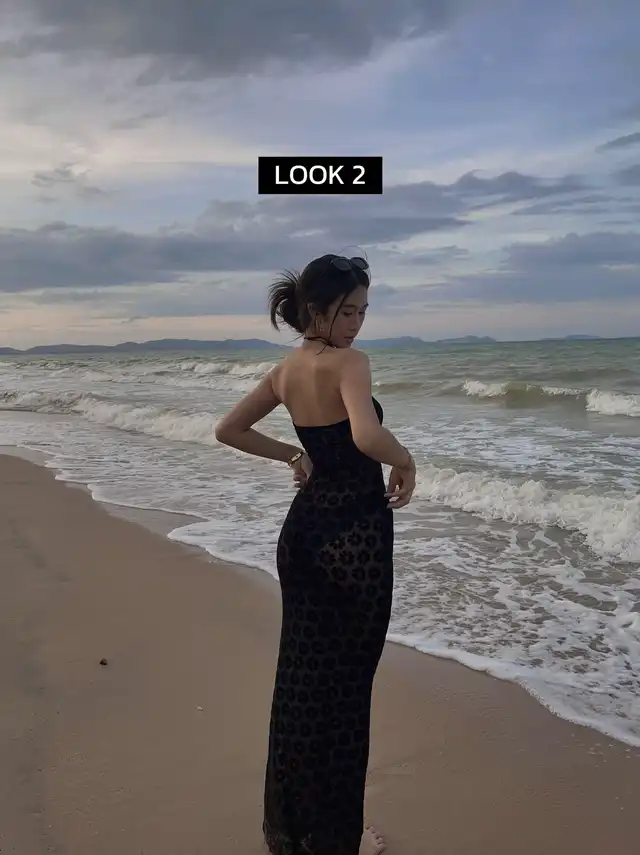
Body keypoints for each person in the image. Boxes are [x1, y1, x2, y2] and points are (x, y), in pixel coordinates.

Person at [214, 253, 416, 855]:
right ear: (314, 310)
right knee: (346, 691)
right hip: (355, 539)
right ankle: (336, 838)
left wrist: (293, 455)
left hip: (302, 538)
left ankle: (295, 829)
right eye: (346, 312)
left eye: (362, 312)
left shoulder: (285, 371)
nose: (356, 324)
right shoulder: (349, 363)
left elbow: (229, 429)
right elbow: (365, 436)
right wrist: (405, 461)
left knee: (301, 684)